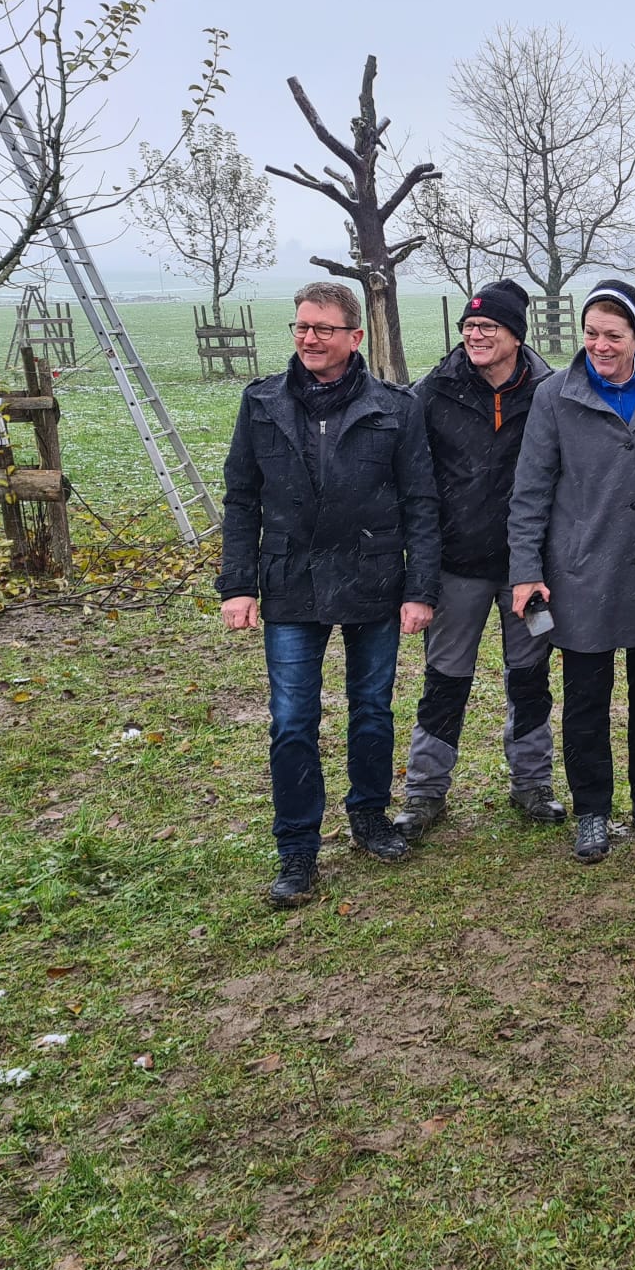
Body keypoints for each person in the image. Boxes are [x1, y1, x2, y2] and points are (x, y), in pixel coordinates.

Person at [217, 281, 439, 907]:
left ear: (354, 336)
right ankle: (297, 847)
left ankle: (369, 816)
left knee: (371, 708)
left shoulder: (395, 407)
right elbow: (241, 499)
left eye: (323, 328)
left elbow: (422, 502)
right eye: (301, 326)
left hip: (374, 578)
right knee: (292, 720)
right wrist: (238, 584)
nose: (309, 338)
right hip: (290, 580)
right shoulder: (261, 402)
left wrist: (420, 587)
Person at [508, 280, 635, 862]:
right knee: (586, 696)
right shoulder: (554, 397)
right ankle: (591, 808)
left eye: (613, 335)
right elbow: (530, 490)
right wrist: (526, 570)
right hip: (582, 569)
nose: (600, 346)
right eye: (591, 333)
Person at [394, 280, 556, 842]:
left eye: (489, 327)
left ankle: (532, 782)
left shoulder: (548, 392)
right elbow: (414, 480)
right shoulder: (431, 392)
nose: (476, 335)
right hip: (456, 566)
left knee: (529, 678)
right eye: (469, 326)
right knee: (445, 679)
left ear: (516, 336)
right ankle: (424, 791)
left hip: (525, 570)